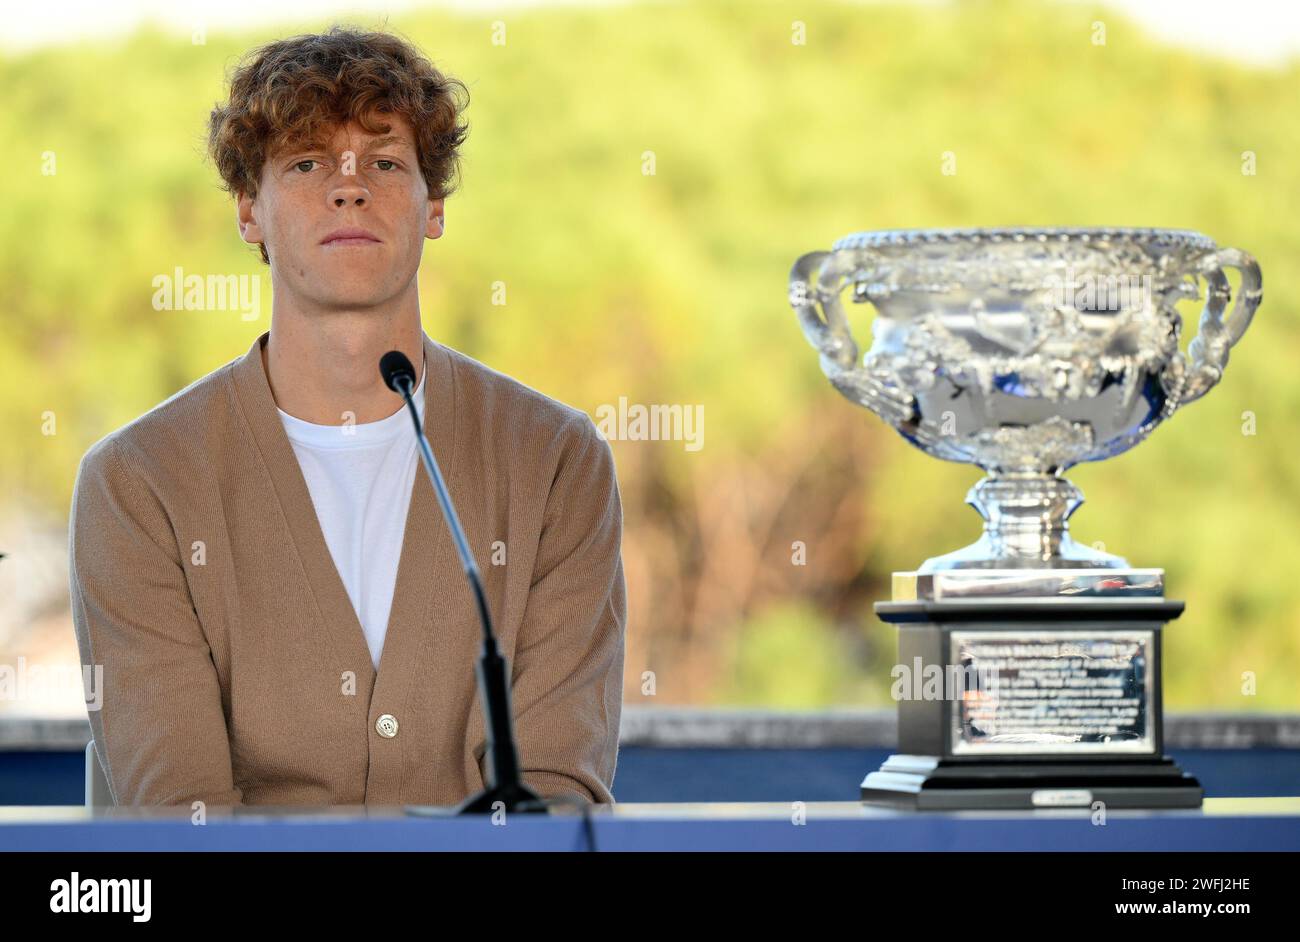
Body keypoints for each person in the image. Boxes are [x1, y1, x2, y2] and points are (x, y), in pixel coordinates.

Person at [68, 26, 626, 806]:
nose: (349, 186)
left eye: (386, 162)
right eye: (307, 162)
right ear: (247, 211)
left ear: (433, 208)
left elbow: (554, 799)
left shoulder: (557, 462)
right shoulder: (137, 485)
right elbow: (180, 818)